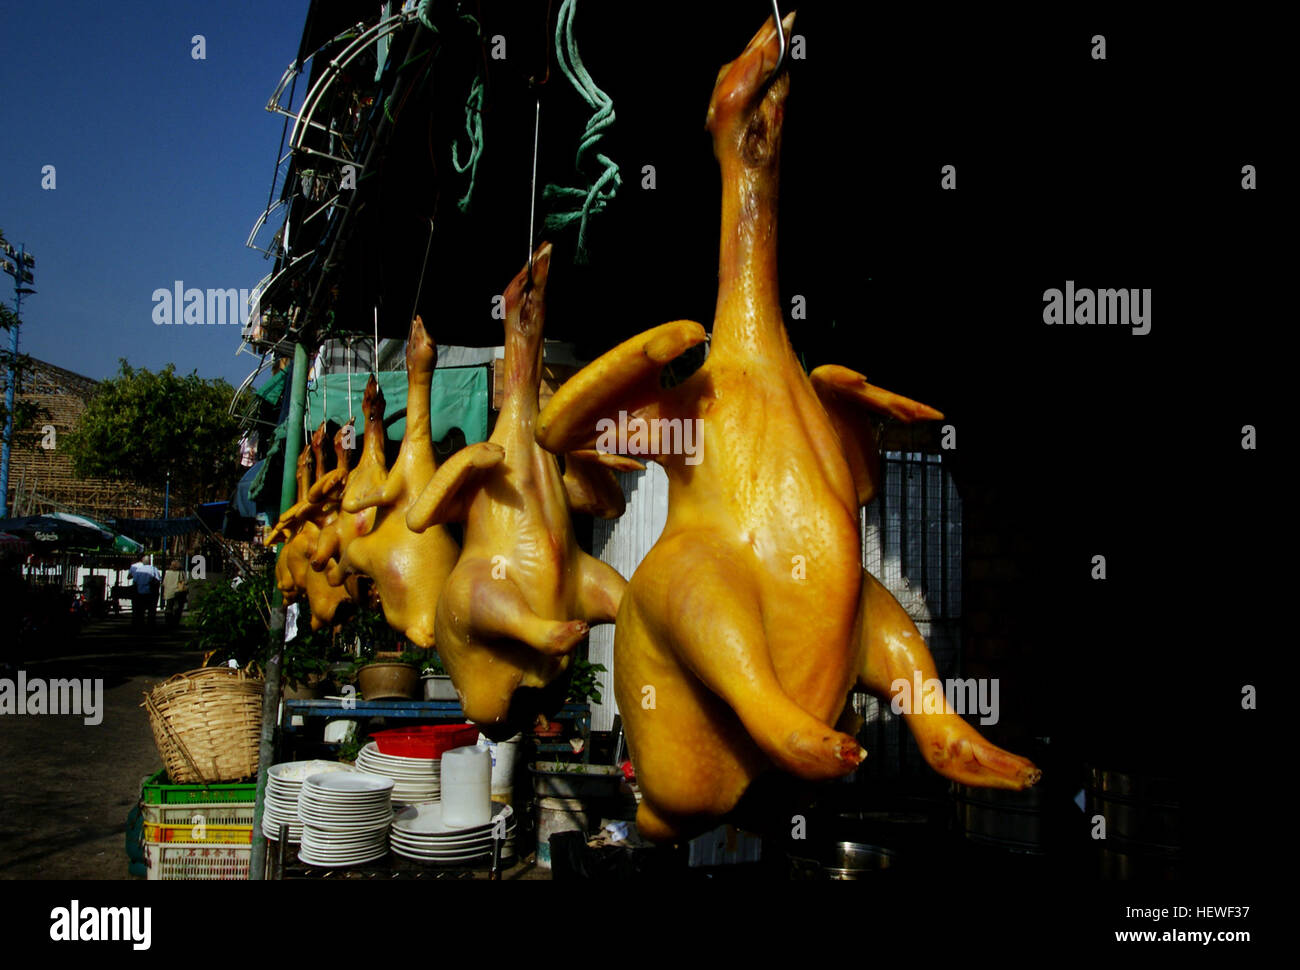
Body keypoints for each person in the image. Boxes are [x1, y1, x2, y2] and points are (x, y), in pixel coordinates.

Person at [128, 554, 162, 630]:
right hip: (150, 593)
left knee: (140, 611)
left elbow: (135, 582)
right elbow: (157, 581)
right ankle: (151, 625)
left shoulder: (138, 570)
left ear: (143, 562)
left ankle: (140, 625)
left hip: (140, 593)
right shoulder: (154, 569)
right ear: (150, 561)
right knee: (151, 611)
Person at [162, 558, 189, 629]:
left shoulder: (167, 573)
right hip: (178, 592)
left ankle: (168, 621)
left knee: (168, 607)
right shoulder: (181, 573)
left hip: (169, 593)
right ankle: (175, 622)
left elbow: (164, 583)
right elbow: (184, 582)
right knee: (177, 608)